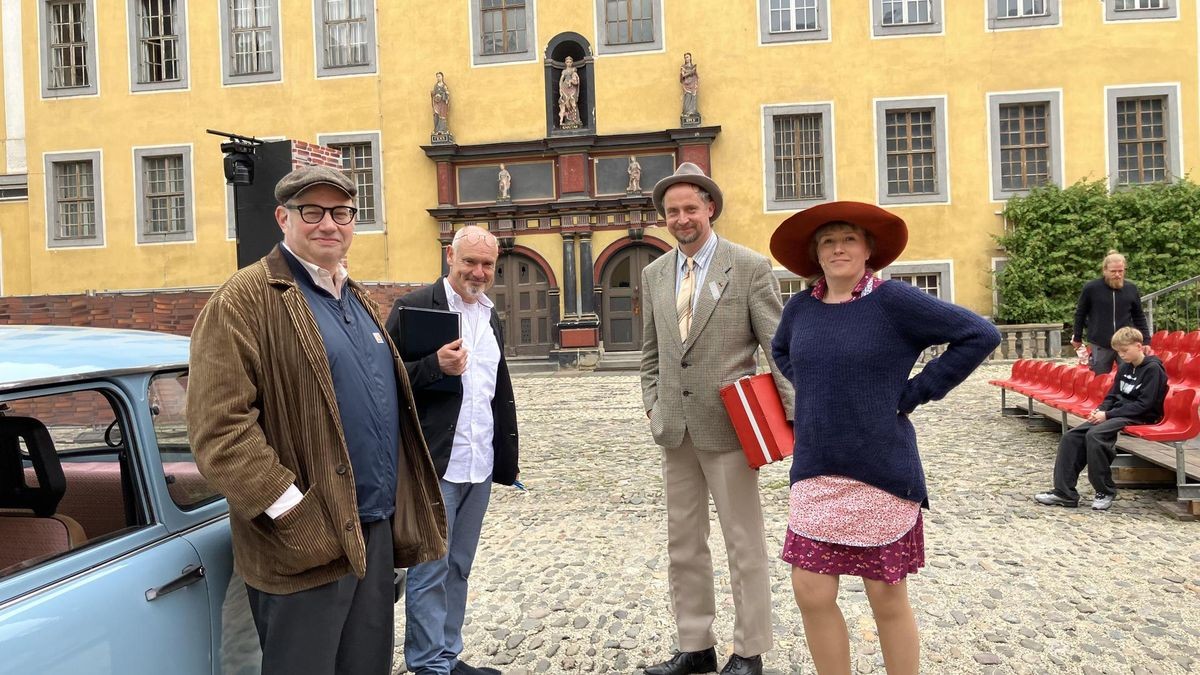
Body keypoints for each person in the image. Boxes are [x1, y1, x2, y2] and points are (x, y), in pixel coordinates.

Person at [187, 165, 448, 675]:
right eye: (312, 211)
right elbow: (219, 432)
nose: (328, 223)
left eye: (342, 212)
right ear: (283, 217)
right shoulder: (245, 299)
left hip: (369, 533)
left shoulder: (355, 298)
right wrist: (294, 514)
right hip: (302, 547)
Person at [769, 201, 1000, 675]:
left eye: (848, 239)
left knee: (885, 594)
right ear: (815, 252)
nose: (838, 248)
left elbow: (980, 333)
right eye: (828, 240)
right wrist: (816, 389)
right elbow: (782, 351)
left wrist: (915, 392)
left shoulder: (892, 300)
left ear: (868, 248)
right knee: (810, 591)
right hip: (815, 465)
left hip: (880, 469)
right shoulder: (799, 306)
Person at [639, 162, 794, 675]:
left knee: (743, 542)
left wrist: (794, 419)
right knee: (683, 543)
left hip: (732, 427)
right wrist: (653, 403)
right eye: (672, 211)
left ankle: (749, 650)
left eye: (690, 208)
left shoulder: (747, 267)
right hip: (675, 430)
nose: (682, 218)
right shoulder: (653, 274)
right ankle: (694, 644)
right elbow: (651, 352)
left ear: (710, 208)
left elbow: (778, 347)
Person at [385, 225, 520, 675]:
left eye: (487, 265)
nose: (478, 272)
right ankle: (427, 665)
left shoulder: (489, 315)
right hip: (433, 464)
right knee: (429, 569)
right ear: (450, 256)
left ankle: (447, 654)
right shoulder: (415, 306)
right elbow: (381, 380)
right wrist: (431, 367)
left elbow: (491, 391)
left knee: (459, 566)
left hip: (477, 462)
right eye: (470, 262)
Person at [1035, 326, 1167, 511]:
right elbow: (1112, 395)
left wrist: (1108, 415)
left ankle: (1104, 490)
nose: (1121, 355)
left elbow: (1144, 404)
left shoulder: (1153, 369)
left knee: (1095, 435)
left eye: (1125, 350)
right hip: (1118, 413)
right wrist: (1100, 410)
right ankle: (1064, 493)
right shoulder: (1125, 367)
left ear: (1139, 346)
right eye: (1118, 352)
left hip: (1141, 416)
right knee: (1071, 437)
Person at [1072, 250, 1151, 375]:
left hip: (1126, 342)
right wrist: (1077, 336)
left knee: (1128, 376)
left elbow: (1139, 316)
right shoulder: (1091, 288)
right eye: (1113, 271)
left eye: (1121, 271)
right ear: (1105, 271)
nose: (1118, 275)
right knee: (1099, 378)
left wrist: (1146, 340)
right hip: (1100, 342)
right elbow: (1080, 313)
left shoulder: (1131, 288)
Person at [558, 56, 580, 128]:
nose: (569, 63)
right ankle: (568, 120)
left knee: (573, 102)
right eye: (567, 62)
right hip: (565, 88)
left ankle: (575, 119)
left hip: (572, 88)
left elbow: (576, 79)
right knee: (566, 103)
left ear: (572, 62)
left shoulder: (574, 70)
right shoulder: (564, 71)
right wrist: (560, 88)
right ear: (565, 63)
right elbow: (561, 80)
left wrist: (573, 81)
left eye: (570, 62)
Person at [679, 53, 699, 118]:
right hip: (686, 83)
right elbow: (683, 76)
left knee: (693, 96)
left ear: (690, 58)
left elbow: (696, 76)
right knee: (687, 97)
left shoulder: (693, 66)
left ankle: (693, 111)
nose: (686, 58)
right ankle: (686, 112)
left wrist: (696, 83)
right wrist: (690, 72)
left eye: (687, 57)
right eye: (685, 57)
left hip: (693, 83)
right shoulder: (683, 67)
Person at [431, 72, 451, 136]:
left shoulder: (444, 86)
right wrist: (433, 94)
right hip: (437, 102)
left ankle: (442, 130)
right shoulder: (436, 86)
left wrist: (444, 95)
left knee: (442, 116)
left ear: (442, 77)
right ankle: (436, 129)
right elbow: (433, 94)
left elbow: (447, 94)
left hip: (443, 103)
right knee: (436, 114)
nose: (438, 78)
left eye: (439, 76)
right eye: (437, 76)